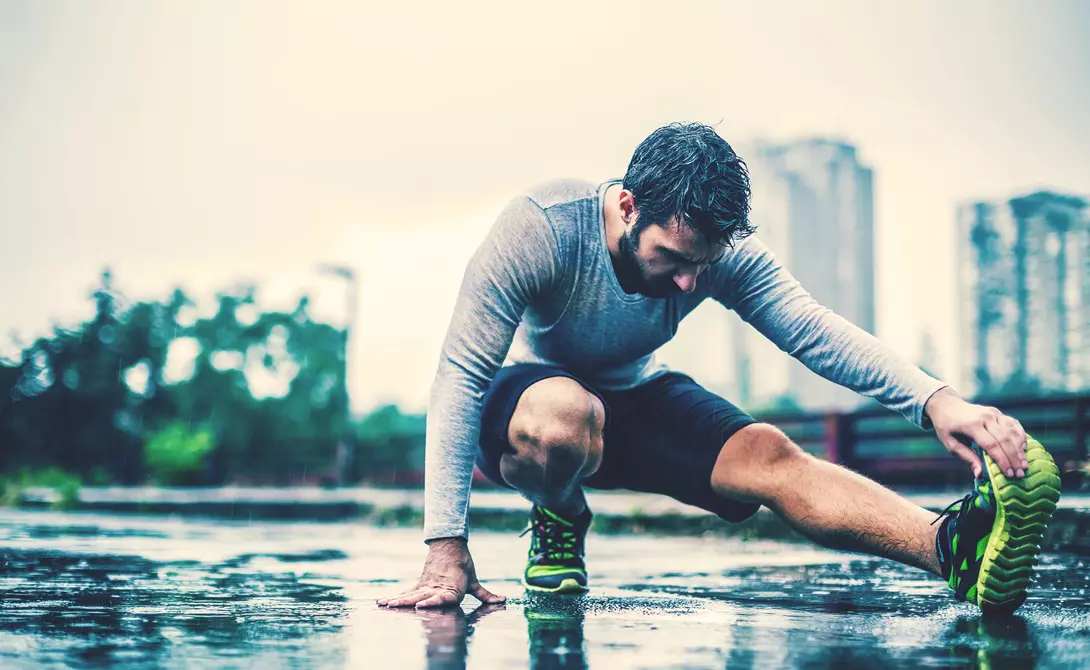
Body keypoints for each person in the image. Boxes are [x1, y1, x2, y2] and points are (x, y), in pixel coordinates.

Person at [377, 122, 1061, 615]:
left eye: (701, 266)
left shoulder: (715, 253)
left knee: (770, 453)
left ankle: (952, 550)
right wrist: (446, 546)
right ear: (626, 206)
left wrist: (937, 401)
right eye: (672, 259)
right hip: (531, 406)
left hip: (637, 394)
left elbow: (814, 331)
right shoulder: (543, 227)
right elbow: (461, 372)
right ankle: (560, 515)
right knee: (565, 416)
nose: (687, 284)